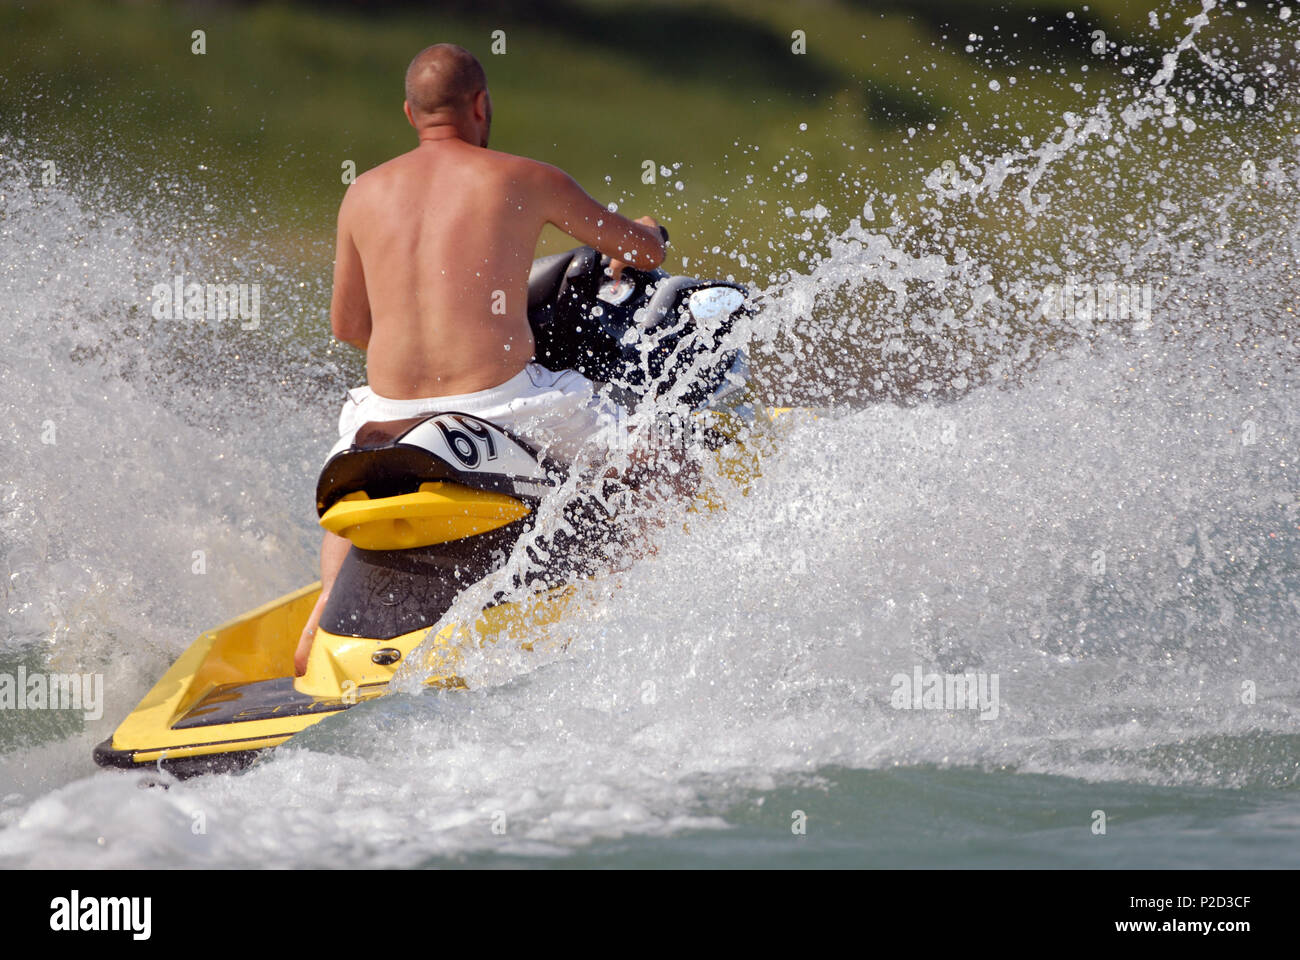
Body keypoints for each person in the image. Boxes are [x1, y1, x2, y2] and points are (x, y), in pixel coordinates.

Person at [294, 43, 670, 675]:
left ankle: (328, 606)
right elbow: (642, 253)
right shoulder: (523, 177)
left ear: (410, 114)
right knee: (659, 453)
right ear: (481, 105)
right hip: (503, 405)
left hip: (385, 412)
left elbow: (348, 325)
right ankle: (643, 605)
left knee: (365, 458)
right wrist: (648, 230)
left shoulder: (362, 193)